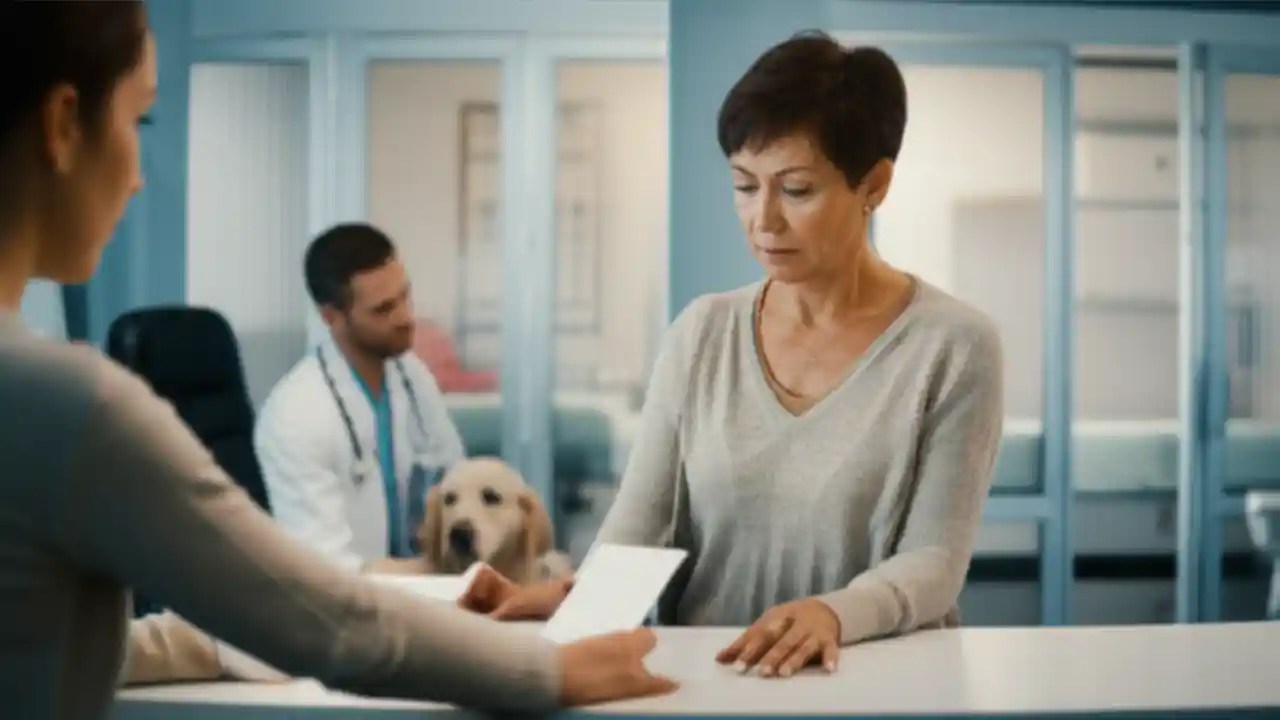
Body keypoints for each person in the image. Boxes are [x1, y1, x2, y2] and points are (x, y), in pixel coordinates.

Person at [0, 2, 674, 717]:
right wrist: (551, 672)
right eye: (140, 120)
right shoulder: (66, 404)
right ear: (64, 123)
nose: (139, 176)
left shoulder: (46, 399)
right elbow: (325, 621)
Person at [460, 30, 1004, 680]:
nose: (763, 220)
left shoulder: (954, 346)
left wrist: (833, 614)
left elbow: (933, 562)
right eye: (745, 186)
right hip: (715, 682)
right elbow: (639, 527)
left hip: (874, 682)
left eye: (796, 190)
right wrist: (565, 599)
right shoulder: (702, 333)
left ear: (875, 184)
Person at [255, 223, 467, 575]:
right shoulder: (295, 416)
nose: (406, 318)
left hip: (421, 587)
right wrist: (432, 573)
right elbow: (327, 572)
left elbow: (458, 478)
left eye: (405, 296)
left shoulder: (412, 376)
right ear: (331, 317)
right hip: (351, 602)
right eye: (383, 309)